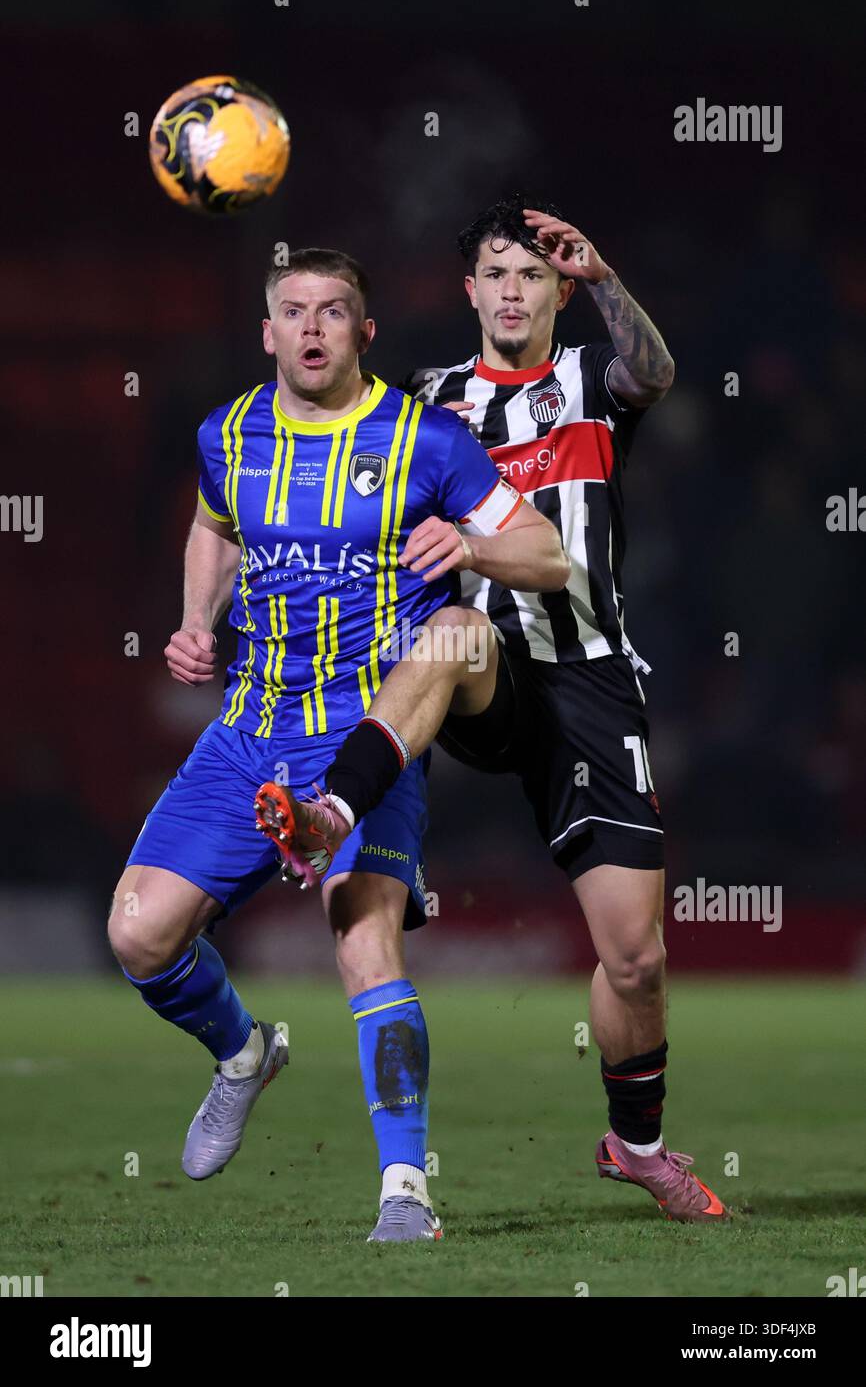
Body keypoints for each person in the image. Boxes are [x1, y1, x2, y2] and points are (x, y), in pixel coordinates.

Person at [257, 197, 727, 1224]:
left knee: (634, 953)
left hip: (589, 675)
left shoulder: (590, 385)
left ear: (555, 290)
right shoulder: (425, 403)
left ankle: (633, 1144)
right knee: (453, 638)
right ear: (467, 291)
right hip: (474, 668)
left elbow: (653, 373)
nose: (512, 289)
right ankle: (349, 810)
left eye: (531, 274)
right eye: (495, 274)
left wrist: (603, 276)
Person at [107, 245, 567, 1244]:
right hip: (248, 732)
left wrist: (473, 545)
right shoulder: (227, 433)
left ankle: (405, 1193)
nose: (310, 326)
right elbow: (214, 527)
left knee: (363, 943)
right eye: (292, 310)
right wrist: (195, 616)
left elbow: (548, 552)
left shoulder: (425, 439)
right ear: (267, 331)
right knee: (139, 935)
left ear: (365, 333)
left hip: (371, 730)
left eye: (332, 311)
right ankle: (242, 1053)